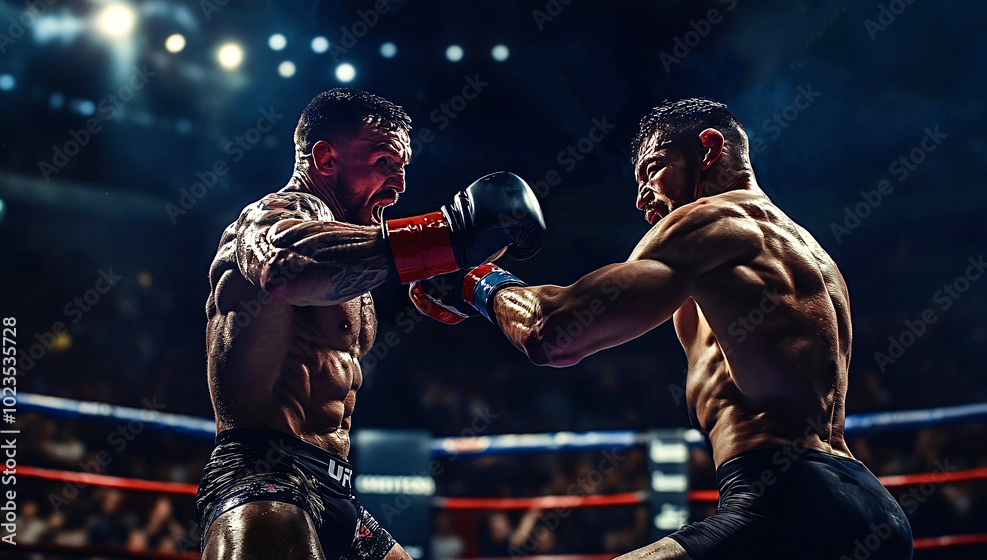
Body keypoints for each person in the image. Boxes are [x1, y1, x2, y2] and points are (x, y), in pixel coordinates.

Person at [411, 98, 913, 559]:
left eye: (652, 170)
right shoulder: (806, 251)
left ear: (710, 148)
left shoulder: (708, 221)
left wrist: (477, 281)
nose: (641, 201)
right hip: (867, 507)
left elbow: (553, 334)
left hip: (788, 504)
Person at [195, 88, 545, 560]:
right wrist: (449, 234)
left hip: (338, 487)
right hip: (266, 476)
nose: (399, 185)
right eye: (384, 162)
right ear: (325, 159)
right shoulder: (268, 219)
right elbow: (285, 265)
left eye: (403, 169)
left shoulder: (352, 253)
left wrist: (465, 278)